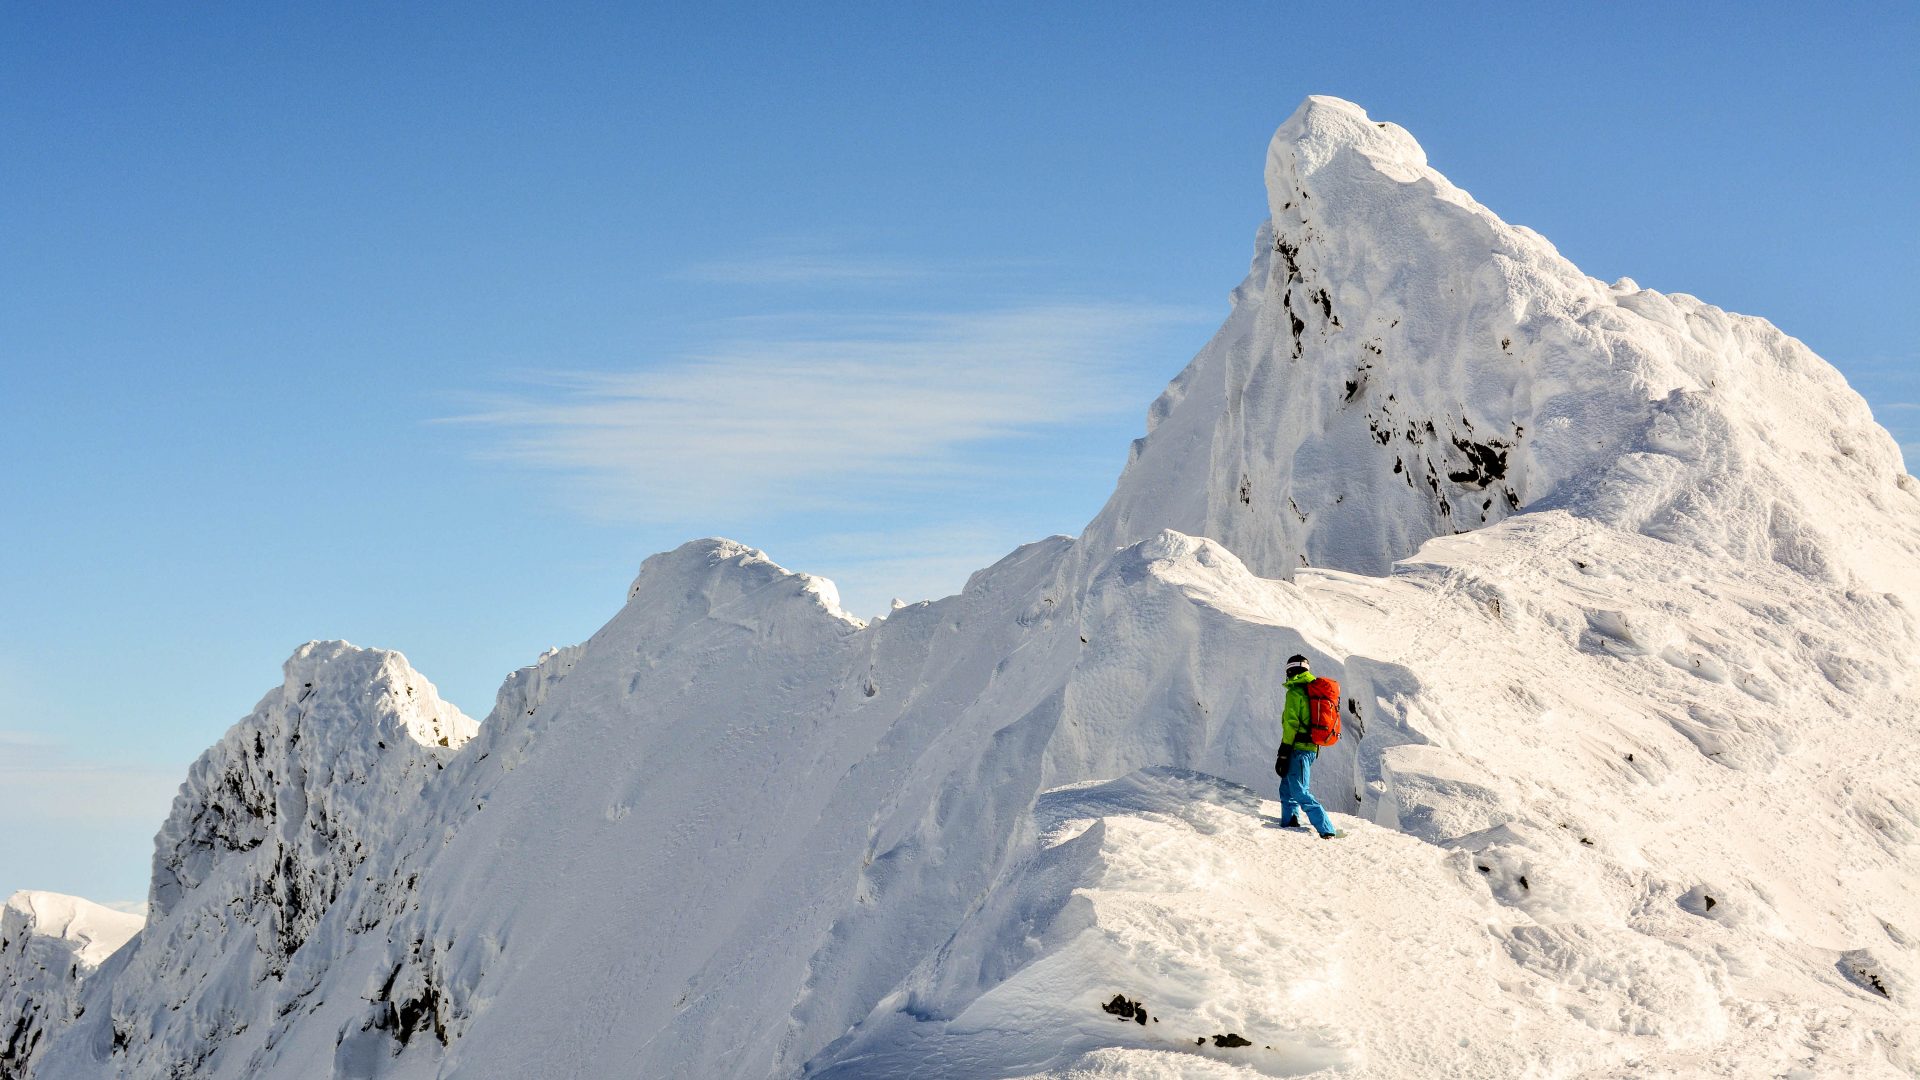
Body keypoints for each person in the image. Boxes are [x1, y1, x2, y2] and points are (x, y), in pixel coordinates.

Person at [1275, 654, 1345, 839]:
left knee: (1299, 790)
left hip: (1298, 748)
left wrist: (1283, 751)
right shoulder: (1314, 690)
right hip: (1310, 748)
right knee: (1287, 787)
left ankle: (1326, 829)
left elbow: (1291, 724)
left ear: (1290, 671)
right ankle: (1290, 822)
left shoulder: (1295, 692)